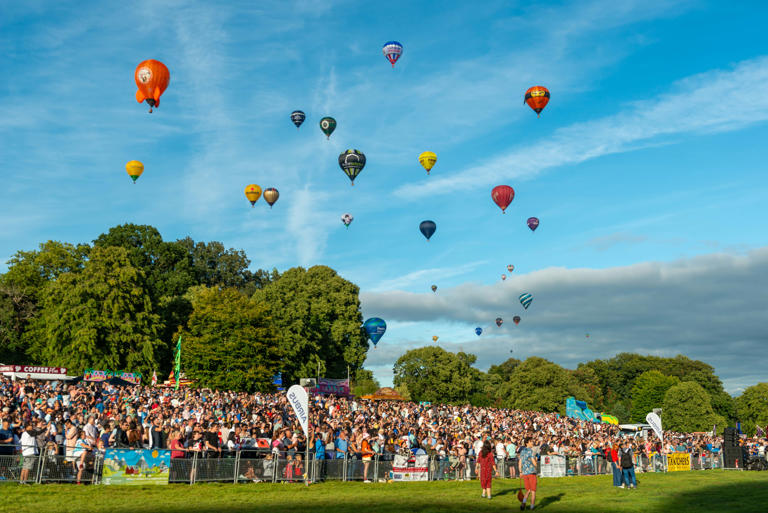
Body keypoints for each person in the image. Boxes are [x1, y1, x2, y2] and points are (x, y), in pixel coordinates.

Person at [518, 437, 538, 510]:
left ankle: (523, 503)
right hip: (531, 472)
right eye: (531, 441)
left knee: (528, 490)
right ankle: (532, 507)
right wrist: (536, 462)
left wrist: (520, 471)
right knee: (533, 491)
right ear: (527, 443)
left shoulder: (522, 451)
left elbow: (520, 462)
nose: (532, 443)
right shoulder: (531, 451)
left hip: (524, 473)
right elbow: (534, 463)